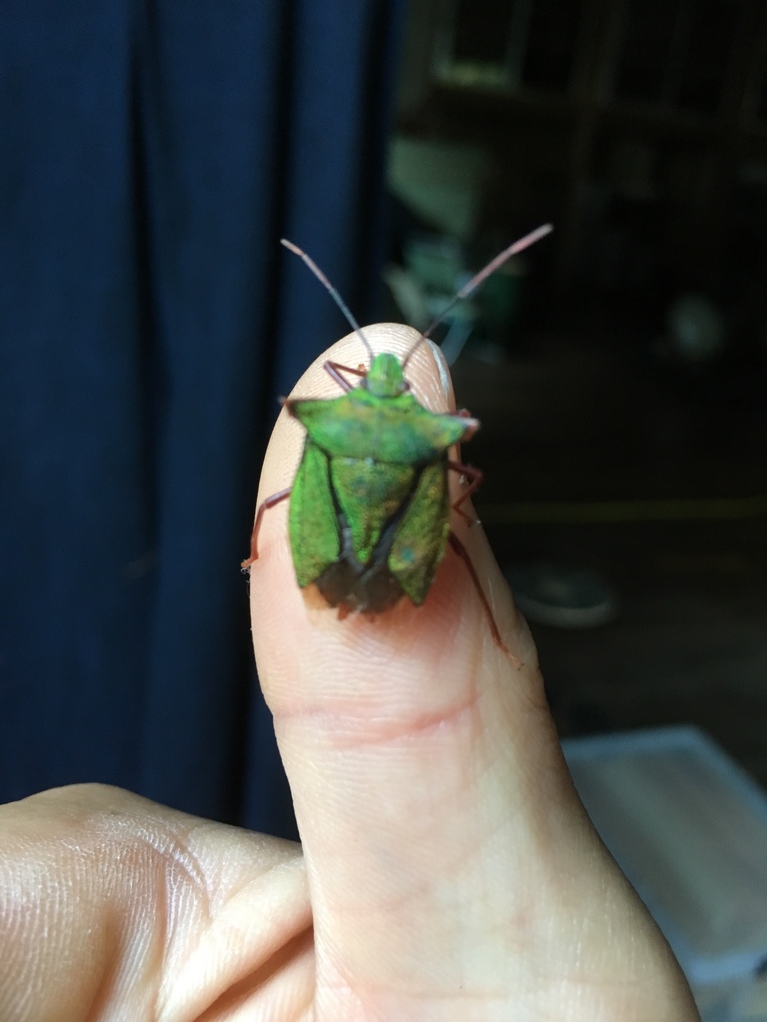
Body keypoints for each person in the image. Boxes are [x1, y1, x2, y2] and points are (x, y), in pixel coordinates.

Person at [0, 326, 698, 1021]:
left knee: (276, 505)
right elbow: (470, 476)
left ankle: (264, 558)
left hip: (328, 533)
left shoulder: (328, 417)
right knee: (445, 532)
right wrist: (449, 494)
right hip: (403, 555)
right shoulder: (434, 439)